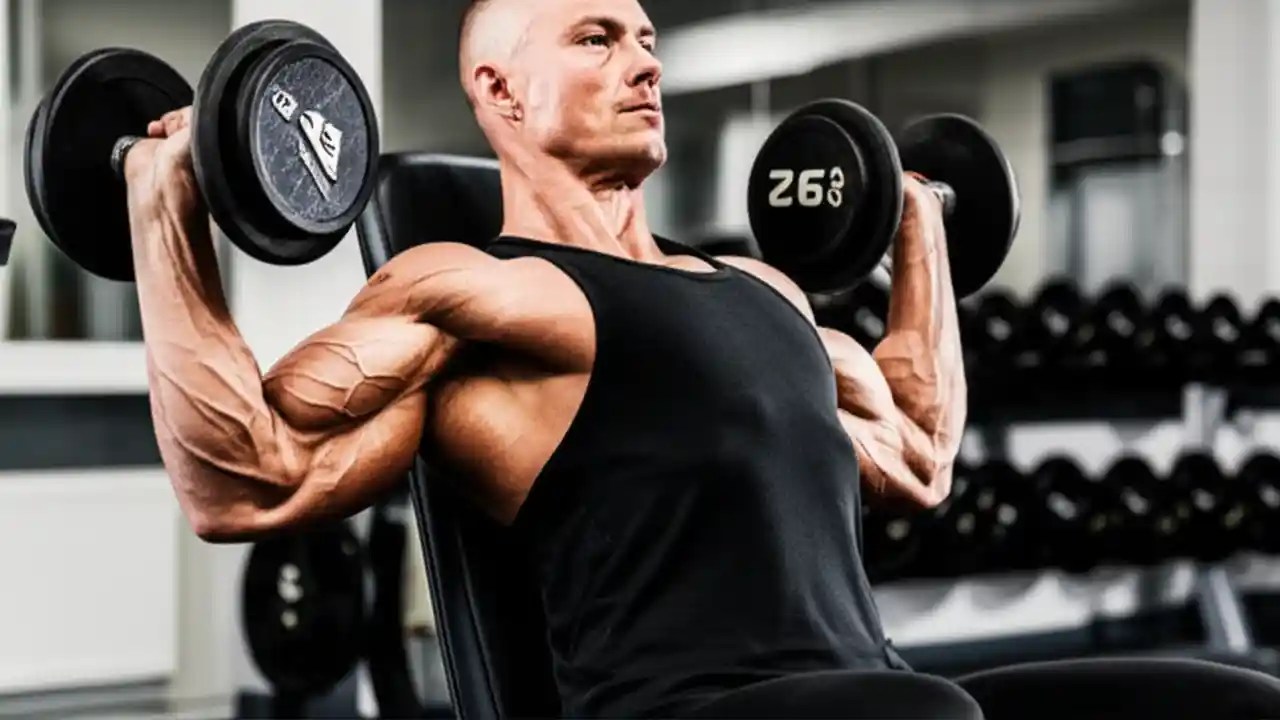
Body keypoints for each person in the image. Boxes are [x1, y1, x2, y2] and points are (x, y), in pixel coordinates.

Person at [116, 1, 1280, 719]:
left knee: (1226, 698)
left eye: (647, 40)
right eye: (596, 37)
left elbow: (920, 453)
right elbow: (248, 473)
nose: (644, 63)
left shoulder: (761, 289)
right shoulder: (473, 287)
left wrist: (921, 219)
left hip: (880, 699)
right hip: (694, 712)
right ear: (498, 88)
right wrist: (159, 206)